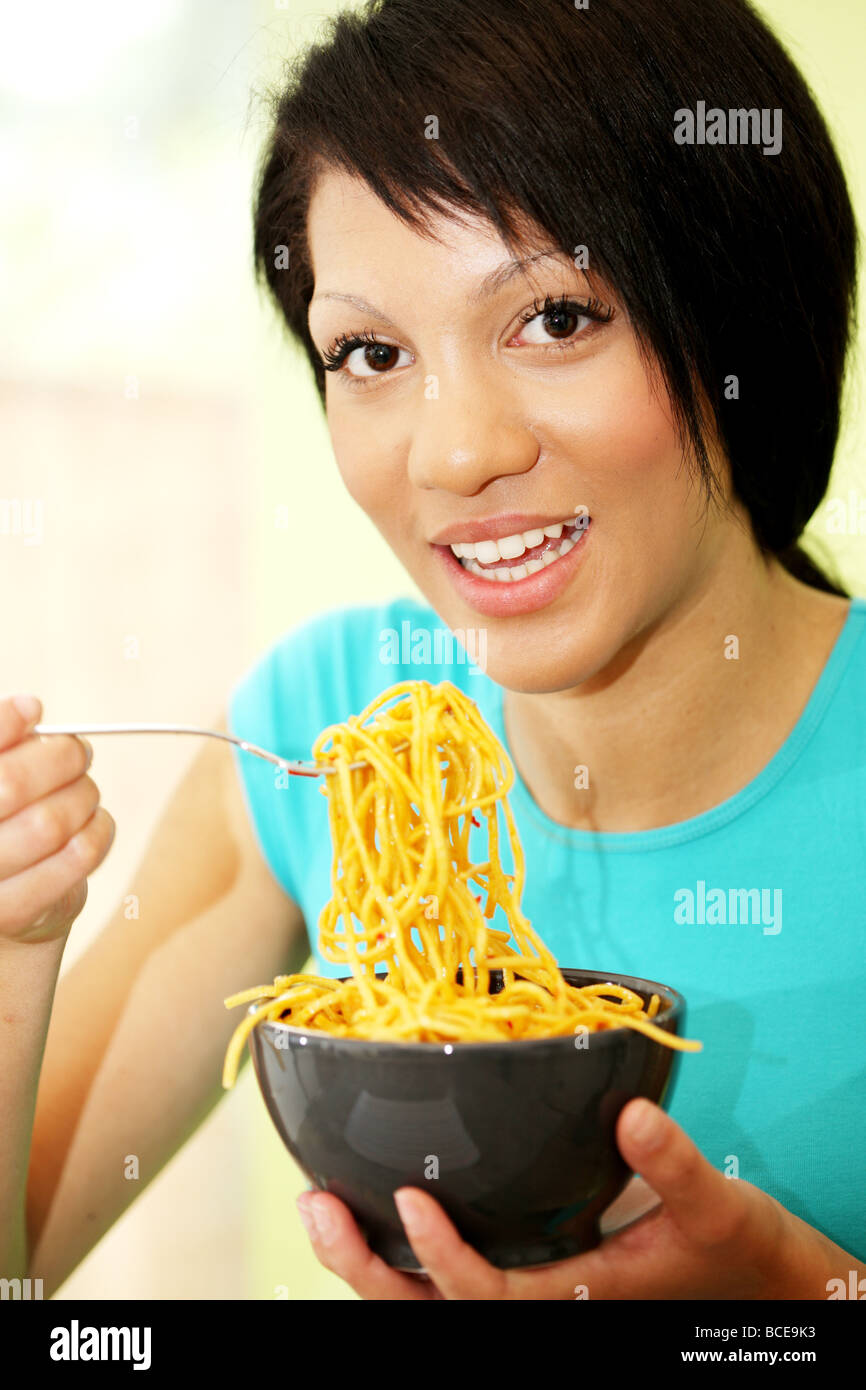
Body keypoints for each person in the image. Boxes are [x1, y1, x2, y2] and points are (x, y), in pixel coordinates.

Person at [3, 0, 864, 1301]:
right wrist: (16, 944)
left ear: (737, 313)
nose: (454, 452)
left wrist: (795, 1303)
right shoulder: (316, 727)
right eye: (368, 352)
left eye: (556, 319)